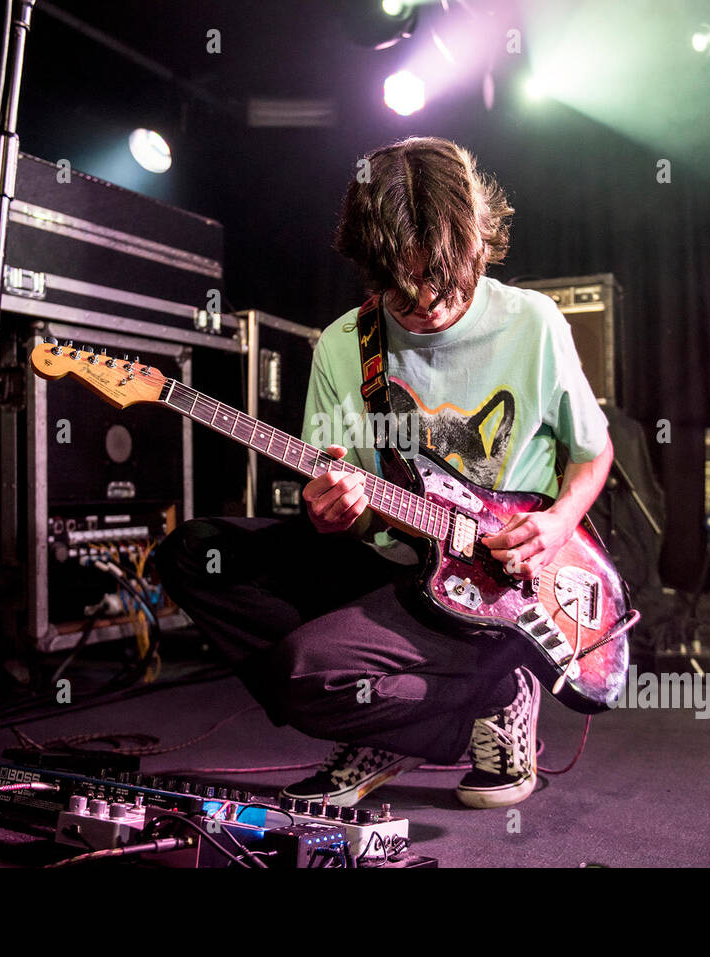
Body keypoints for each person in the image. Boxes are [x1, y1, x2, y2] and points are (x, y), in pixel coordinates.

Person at [154, 137, 613, 809]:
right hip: (395, 560)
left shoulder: (533, 325)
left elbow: (593, 453)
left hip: (492, 586)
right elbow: (341, 503)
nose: (426, 301)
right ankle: (402, 711)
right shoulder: (347, 344)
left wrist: (557, 521)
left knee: (304, 672)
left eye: (443, 280)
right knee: (195, 554)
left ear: (477, 244)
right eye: (404, 284)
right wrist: (333, 510)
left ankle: (499, 683)